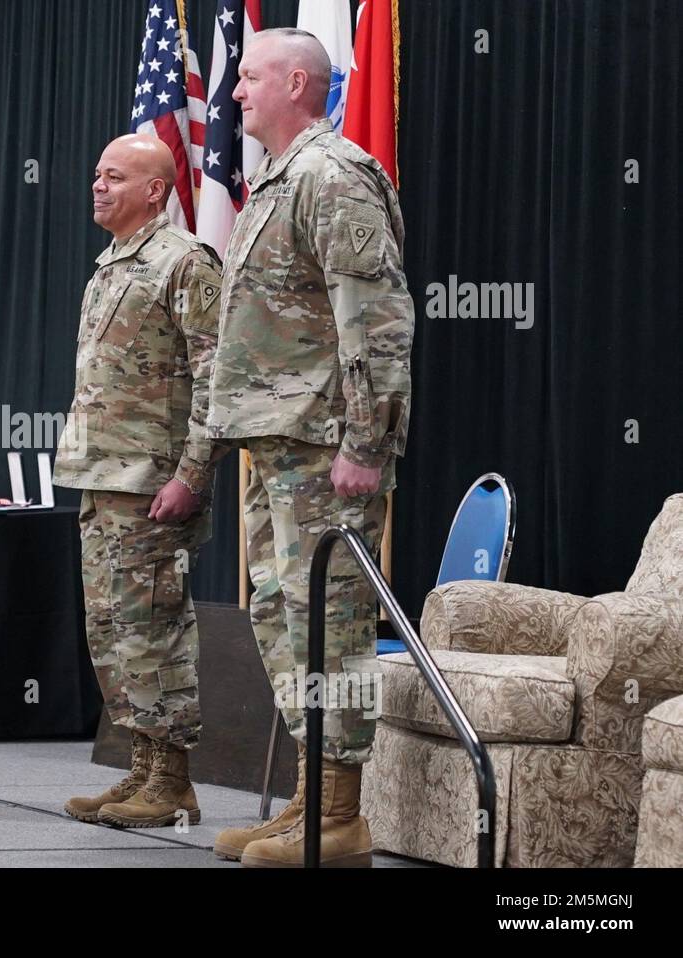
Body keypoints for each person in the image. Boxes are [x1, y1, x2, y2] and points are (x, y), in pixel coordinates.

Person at [205, 28, 414, 867]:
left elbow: (380, 321)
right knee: (282, 617)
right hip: (276, 444)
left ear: (298, 82)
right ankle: (310, 799)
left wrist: (367, 440)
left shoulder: (334, 177)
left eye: (249, 78)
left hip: (327, 446)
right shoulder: (270, 185)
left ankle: (341, 816)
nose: (233, 93)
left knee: (334, 628)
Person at [54, 134, 223, 828]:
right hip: (103, 480)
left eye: (115, 176)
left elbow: (217, 375)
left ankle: (175, 778)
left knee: (152, 629)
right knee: (113, 632)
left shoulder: (185, 263)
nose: (98, 186)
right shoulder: (109, 266)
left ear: (156, 190)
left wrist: (192, 473)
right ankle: (142, 770)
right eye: (96, 174)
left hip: (154, 483)